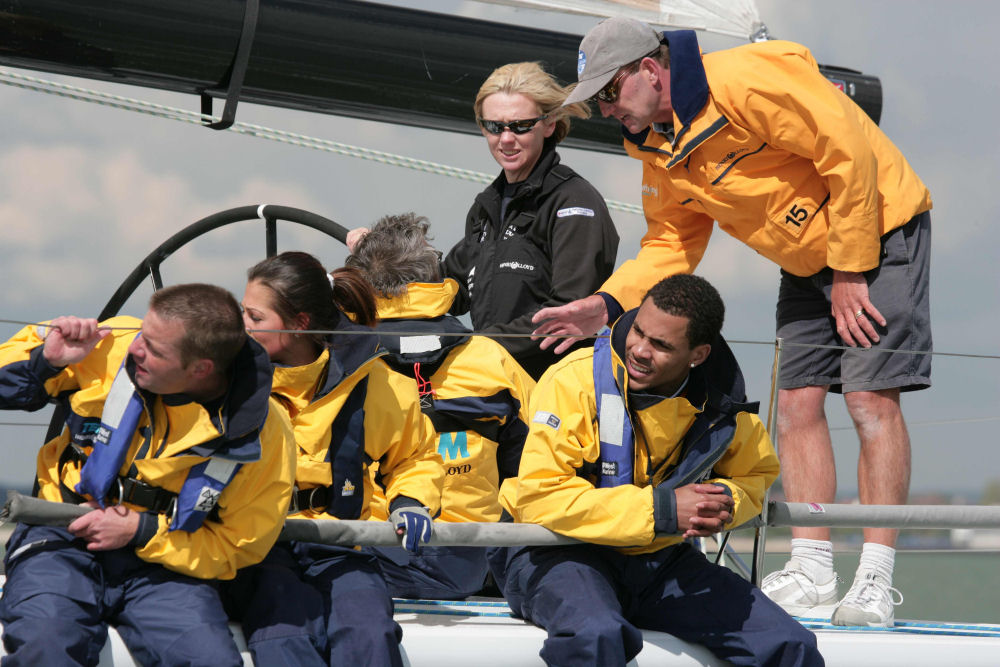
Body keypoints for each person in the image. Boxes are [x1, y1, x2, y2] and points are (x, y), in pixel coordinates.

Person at [532, 17, 933, 627]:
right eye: (598, 101)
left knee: (870, 403)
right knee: (798, 404)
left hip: (878, 228)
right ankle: (813, 565)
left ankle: (876, 577)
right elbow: (671, 239)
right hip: (805, 258)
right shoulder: (653, 143)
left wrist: (853, 267)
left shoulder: (744, 78)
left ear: (650, 69)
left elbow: (848, 150)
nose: (607, 110)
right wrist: (607, 306)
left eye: (609, 93)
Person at [493, 275, 822, 666]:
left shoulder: (723, 404)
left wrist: (721, 504)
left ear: (698, 354)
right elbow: (538, 497)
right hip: (556, 553)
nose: (639, 350)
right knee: (596, 636)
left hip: (660, 561)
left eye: (661, 345)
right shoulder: (573, 380)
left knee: (792, 646)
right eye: (638, 331)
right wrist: (665, 510)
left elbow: (754, 477)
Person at [0, 284, 296, 666]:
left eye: (154, 349)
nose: (136, 348)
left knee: (211, 661)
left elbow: (239, 544)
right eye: (143, 334)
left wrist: (140, 531)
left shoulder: (265, 433)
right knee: (47, 645)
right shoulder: (107, 345)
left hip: (165, 566)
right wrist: (47, 361)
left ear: (200, 369)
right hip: (60, 539)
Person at [229, 251, 443, 667]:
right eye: (242, 314)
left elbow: (415, 457)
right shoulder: (228, 381)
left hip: (343, 545)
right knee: (283, 637)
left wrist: (410, 503)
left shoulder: (377, 383)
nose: (242, 327)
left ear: (301, 323)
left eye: (255, 318)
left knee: (369, 632)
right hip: (259, 547)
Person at [347, 61, 619, 380]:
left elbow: (565, 314)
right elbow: (452, 290)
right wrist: (380, 258)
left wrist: (472, 348)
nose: (506, 139)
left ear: (549, 124)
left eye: (520, 126)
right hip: (494, 389)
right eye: (494, 126)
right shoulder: (487, 208)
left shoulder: (574, 202)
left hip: (553, 393)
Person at [345, 212, 535, 599]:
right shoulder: (491, 358)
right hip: (475, 554)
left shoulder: (343, 359)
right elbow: (542, 458)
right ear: (434, 279)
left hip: (371, 548)